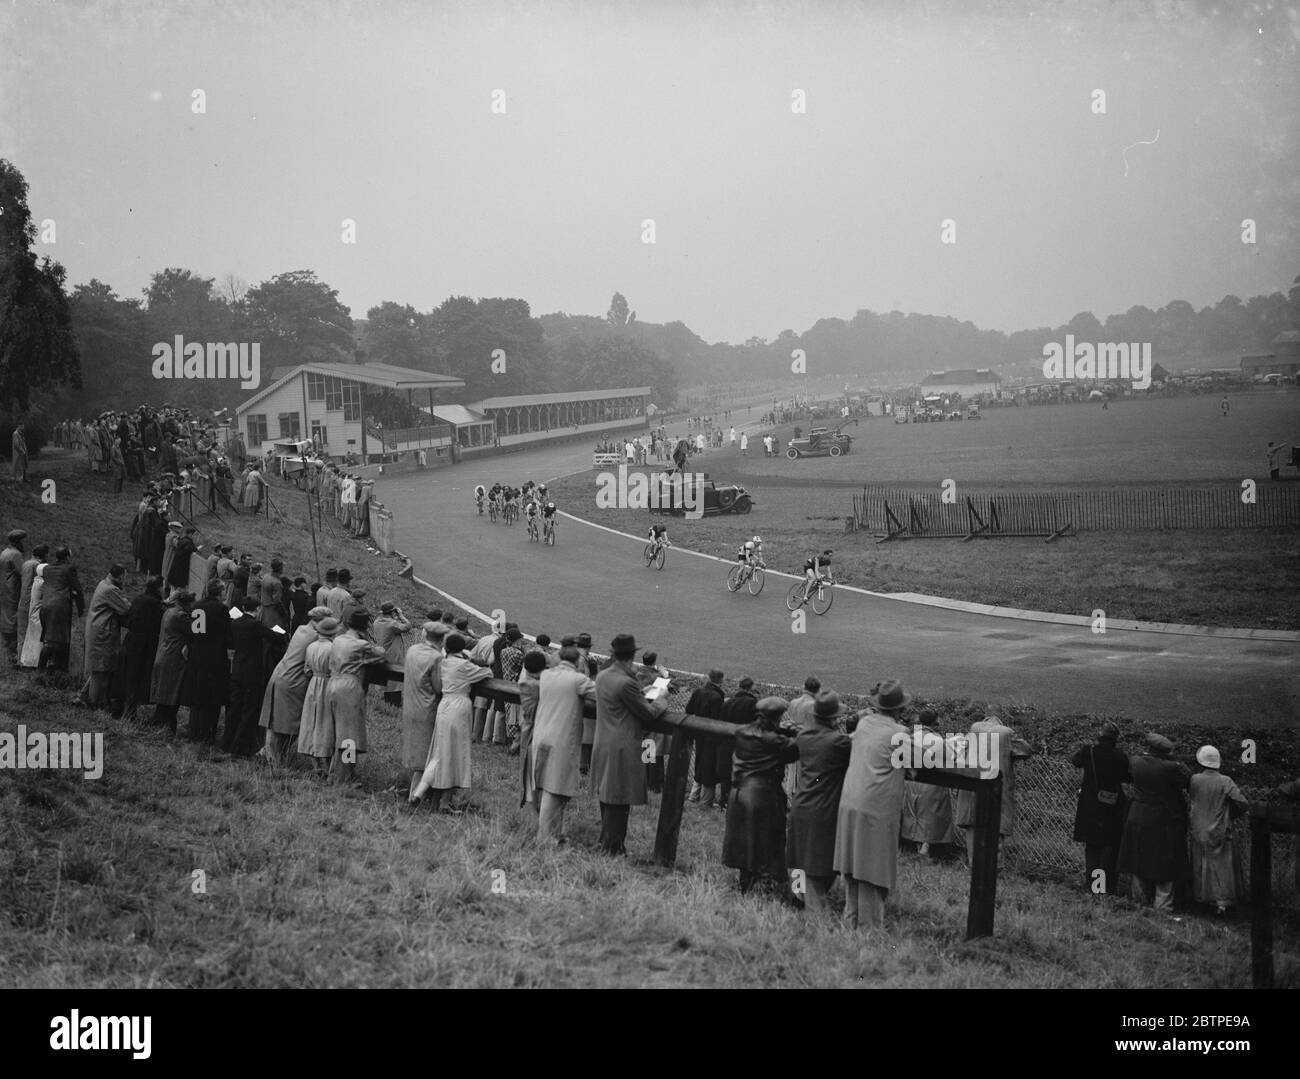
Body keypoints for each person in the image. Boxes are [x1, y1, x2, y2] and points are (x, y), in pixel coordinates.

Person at [834, 680, 911, 931]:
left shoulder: (864, 723)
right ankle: (870, 929)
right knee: (873, 870)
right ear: (900, 709)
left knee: (853, 866)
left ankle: (850, 922)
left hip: (850, 802)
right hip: (876, 807)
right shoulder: (900, 734)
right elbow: (916, 766)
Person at [591, 634, 670, 856]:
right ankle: (613, 847)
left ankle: (606, 840)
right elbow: (647, 713)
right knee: (619, 797)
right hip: (622, 744)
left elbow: (622, 701)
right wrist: (662, 698)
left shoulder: (604, 676)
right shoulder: (626, 682)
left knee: (607, 794)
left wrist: (641, 694)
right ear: (632, 655)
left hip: (604, 739)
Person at [723, 696, 799, 894]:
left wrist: (782, 729)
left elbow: (764, 735)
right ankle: (769, 884)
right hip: (763, 795)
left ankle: (746, 883)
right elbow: (796, 749)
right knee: (768, 840)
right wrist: (792, 731)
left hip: (738, 792)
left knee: (744, 840)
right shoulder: (776, 741)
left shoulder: (742, 732)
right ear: (778, 717)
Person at [787, 691, 852, 912]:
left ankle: (797, 900)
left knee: (798, 859)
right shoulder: (839, 742)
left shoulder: (804, 736)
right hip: (823, 808)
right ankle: (814, 912)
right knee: (819, 865)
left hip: (801, 803)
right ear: (834, 718)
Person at [412, 633, 492, 810]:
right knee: (454, 754)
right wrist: (475, 661)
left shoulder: (443, 661)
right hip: (459, 707)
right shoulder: (464, 665)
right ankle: (443, 801)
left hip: (444, 705)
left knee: (439, 752)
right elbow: (488, 672)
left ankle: (420, 791)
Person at [1117, 733, 1191, 912]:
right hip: (1163, 820)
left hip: (1137, 816)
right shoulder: (1173, 767)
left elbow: (1128, 774)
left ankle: (1139, 901)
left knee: (1138, 859)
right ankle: (1163, 906)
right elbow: (1188, 780)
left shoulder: (1135, 761)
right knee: (1165, 862)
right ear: (1166, 752)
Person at [532, 643, 598, 844]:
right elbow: (603, 695)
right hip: (561, 738)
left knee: (547, 785)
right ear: (577, 661)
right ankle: (544, 837)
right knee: (554, 787)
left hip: (541, 734)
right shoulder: (578, 680)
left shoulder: (546, 675)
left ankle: (555, 833)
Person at [954, 714, 1034, 863]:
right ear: (1000, 720)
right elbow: (1026, 750)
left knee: (972, 824)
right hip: (997, 786)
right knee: (996, 824)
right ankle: (994, 866)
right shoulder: (1006, 732)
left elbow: (958, 751)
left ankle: (973, 863)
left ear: (985, 718)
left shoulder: (973, 729)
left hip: (972, 783)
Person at [260, 605, 332, 765]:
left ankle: (271, 756)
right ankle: (274, 760)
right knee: (287, 725)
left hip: (279, 674)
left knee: (274, 721)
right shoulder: (315, 636)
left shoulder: (301, 629)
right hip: (293, 681)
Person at [325, 610, 388, 785]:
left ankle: (334, 771)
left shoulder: (338, 640)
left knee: (338, 731)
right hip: (349, 687)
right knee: (349, 736)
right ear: (364, 628)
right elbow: (381, 653)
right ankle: (343, 776)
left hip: (332, 683)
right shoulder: (360, 645)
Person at [1070, 721, 1130, 895]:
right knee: (1108, 849)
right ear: (1115, 739)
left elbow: (1075, 761)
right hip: (1112, 807)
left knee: (1093, 848)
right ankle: (1105, 888)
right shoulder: (1120, 757)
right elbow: (1127, 777)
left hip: (1090, 806)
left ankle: (1094, 887)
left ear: (1099, 736)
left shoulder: (1088, 751)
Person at [1189, 745, 1248, 915]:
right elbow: (1242, 802)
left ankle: (1200, 899)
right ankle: (1222, 903)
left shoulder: (1194, 779)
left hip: (1198, 828)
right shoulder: (1225, 781)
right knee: (1221, 867)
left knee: (1200, 864)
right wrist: (1229, 815)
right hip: (1219, 829)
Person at [899, 715, 960, 860]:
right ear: (935, 722)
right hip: (932, 783)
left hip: (912, 782)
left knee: (915, 813)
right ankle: (926, 847)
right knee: (931, 816)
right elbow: (950, 760)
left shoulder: (910, 738)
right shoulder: (938, 741)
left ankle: (917, 846)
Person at [76, 565, 132, 709]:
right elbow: (125, 608)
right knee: (101, 670)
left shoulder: (103, 584)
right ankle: (95, 703)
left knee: (100, 667)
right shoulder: (111, 590)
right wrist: (126, 601)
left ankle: (83, 696)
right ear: (119, 577)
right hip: (103, 633)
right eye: (124, 577)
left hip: (99, 630)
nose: (125, 580)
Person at [401, 622, 446, 801]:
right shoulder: (436, 657)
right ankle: (416, 794)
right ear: (441, 639)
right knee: (427, 753)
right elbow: (438, 687)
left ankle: (417, 791)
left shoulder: (412, 650)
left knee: (415, 748)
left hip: (410, 703)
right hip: (427, 707)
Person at [185, 581, 234, 744]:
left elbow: (192, 632)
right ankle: (207, 734)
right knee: (212, 697)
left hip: (197, 654)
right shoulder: (221, 609)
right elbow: (228, 636)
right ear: (220, 592)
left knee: (197, 694)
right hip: (214, 658)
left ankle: (194, 731)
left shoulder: (197, 606)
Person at [297, 617, 342, 774]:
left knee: (311, 720)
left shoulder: (311, 646)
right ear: (332, 633)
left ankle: (314, 763)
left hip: (313, 684)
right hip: (327, 685)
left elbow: (307, 670)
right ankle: (328, 764)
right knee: (326, 723)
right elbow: (335, 670)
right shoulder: (332, 648)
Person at [150, 590, 195, 735]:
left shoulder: (169, 612)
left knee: (163, 693)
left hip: (164, 654)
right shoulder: (181, 616)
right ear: (187, 604)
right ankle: (167, 726)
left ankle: (159, 722)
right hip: (173, 658)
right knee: (172, 693)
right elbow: (197, 630)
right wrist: (199, 613)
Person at [711, 676, 758, 810]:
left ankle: (724, 802)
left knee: (726, 774)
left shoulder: (728, 703)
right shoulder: (752, 703)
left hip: (726, 743)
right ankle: (739, 803)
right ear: (750, 688)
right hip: (743, 744)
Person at [38, 546, 84, 672]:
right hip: (59, 607)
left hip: (45, 606)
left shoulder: (47, 569)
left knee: (50, 637)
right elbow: (77, 589)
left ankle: (52, 667)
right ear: (67, 557)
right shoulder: (69, 568)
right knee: (54, 640)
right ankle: (42, 669)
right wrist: (81, 608)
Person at [517, 650, 546, 809]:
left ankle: (530, 802)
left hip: (528, 728)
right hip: (535, 730)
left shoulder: (526, 680)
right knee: (534, 772)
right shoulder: (536, 685)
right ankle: (533, 804)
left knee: (528, 770)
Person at [373, 602, 413, 707]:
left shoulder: (376, 622)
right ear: (391, 612)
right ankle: (395, 704)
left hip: (382, 654)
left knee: (386, 680)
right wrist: (401, 616)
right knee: (395, 682)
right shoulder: (392, 624)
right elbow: (408, 627)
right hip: (393, 655)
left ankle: (388, 703)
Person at [0, 529, 27, 659]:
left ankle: (5, 647)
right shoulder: (16, 554)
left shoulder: (4, 552)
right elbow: (23, 573)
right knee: (13, 617)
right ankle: (11, 651)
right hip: (13, 590)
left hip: (4, 589)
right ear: (18, 542)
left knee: (5, 615)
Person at [19, 561, 48, 669]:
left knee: (31, 638)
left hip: (33, 614)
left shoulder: (36, 581)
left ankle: (27, 661)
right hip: (38, 615)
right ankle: (35, 662)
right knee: (37, 640)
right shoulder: (43, 583)